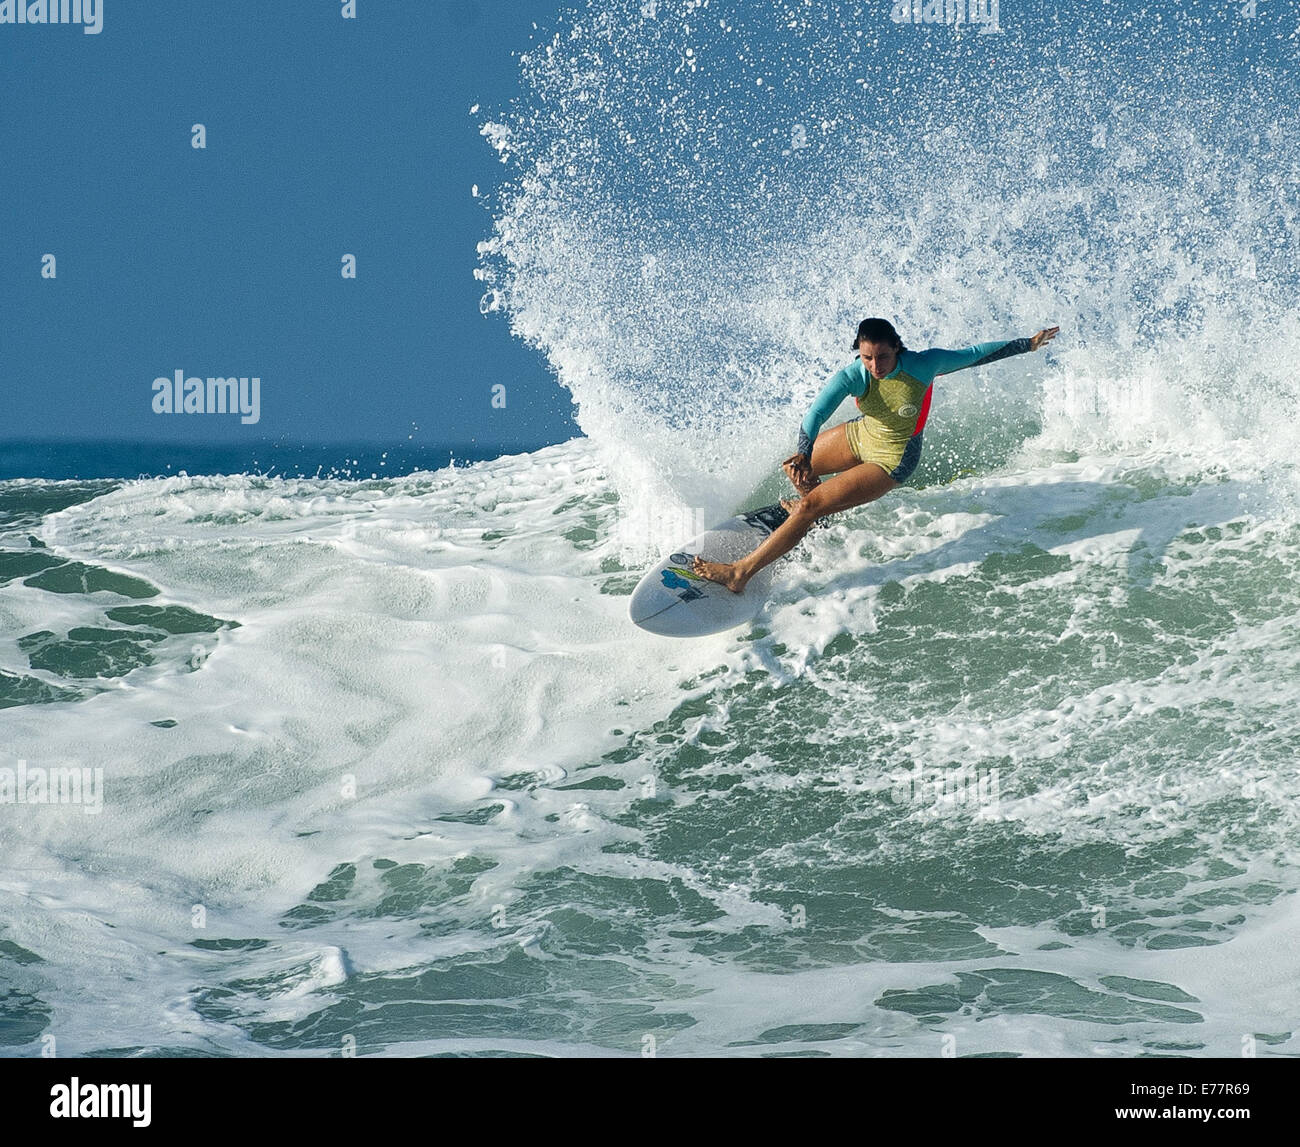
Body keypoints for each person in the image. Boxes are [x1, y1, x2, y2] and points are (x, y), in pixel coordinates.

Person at [691, 317, 1060, 593]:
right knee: (795, 466)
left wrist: (1027, 344)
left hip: (893, 458)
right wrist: (804, 454)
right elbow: (815, 415)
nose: (875, 365)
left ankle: (741, 572)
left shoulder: (922, 365)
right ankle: (816, 515)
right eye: (867, 357)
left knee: (807, 506)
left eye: (882, 356)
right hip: (862, 434)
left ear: (896, 348)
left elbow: (974, 355)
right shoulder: (855, 374)